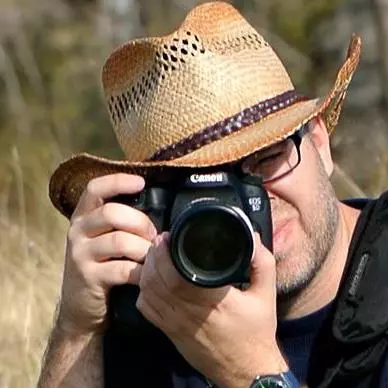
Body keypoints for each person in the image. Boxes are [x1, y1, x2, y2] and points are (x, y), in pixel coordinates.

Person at [37, 1, 388, 387]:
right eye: (201, 185)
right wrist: (79, 329)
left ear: (319, 144)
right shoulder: (155, 303)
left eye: (266, 158)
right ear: (156, 207)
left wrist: (248, 371)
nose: (247, 199)